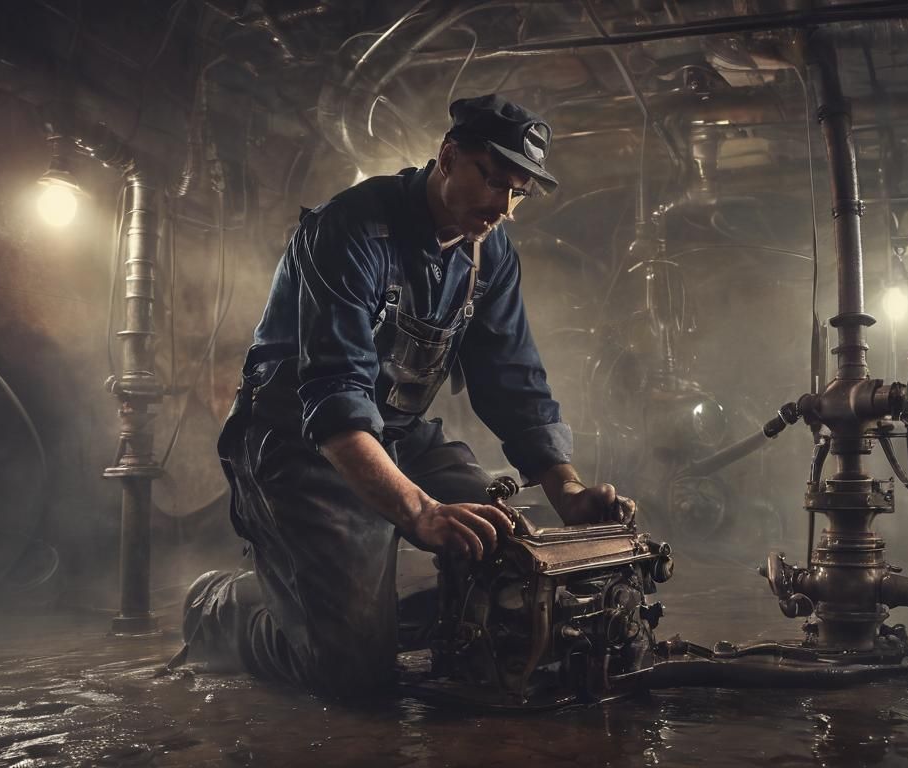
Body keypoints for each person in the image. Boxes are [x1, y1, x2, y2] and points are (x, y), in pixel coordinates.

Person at [177, 94, 628, 698]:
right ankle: (225, 608)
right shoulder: (349, 229)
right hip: (299, 443)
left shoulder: (490, 253)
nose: (503, 207)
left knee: (511, 551)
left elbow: (514, 379)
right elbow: (335, 396)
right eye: (492, 180)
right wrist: (419, 511)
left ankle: (345, 606)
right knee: (352, 675)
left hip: (398, 433)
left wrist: (566, 489)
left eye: (517, 193)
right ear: (448, 155)